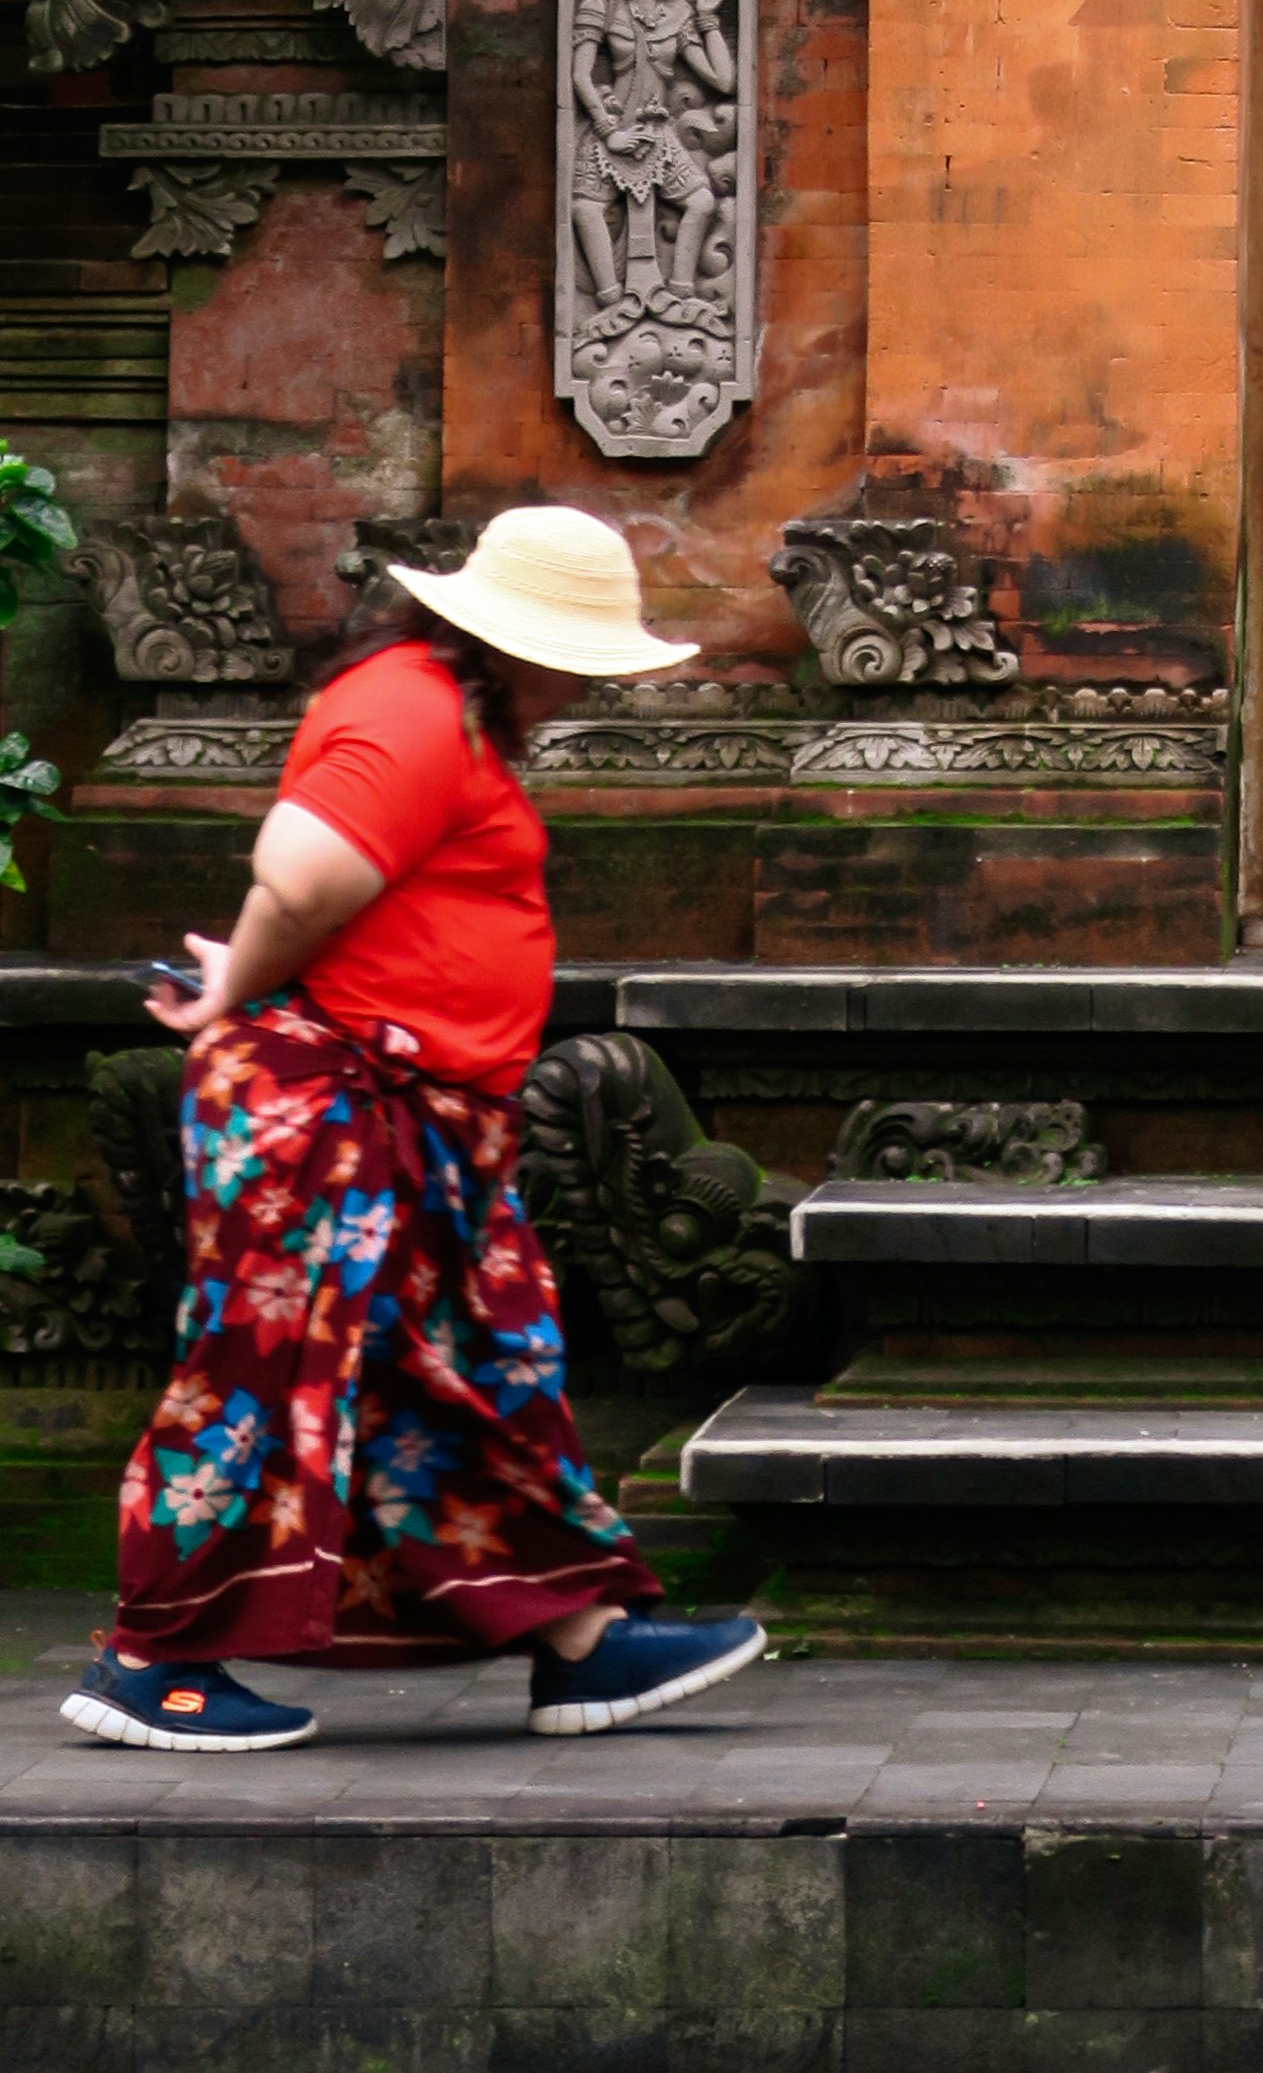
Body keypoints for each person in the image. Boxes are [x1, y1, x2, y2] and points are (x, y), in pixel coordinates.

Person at [62, 502, 769, 1755]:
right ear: (506, 639)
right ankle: (150, 1657)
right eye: (569, 659)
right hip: (330, 1104)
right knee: (269, 1374)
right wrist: (243, 986)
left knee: (460, 1377)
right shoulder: (410, 706)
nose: (573, 690)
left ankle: (576, 1640)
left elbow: (344, 894)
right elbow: (301, 872)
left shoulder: (445, 713)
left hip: (403, 1110)